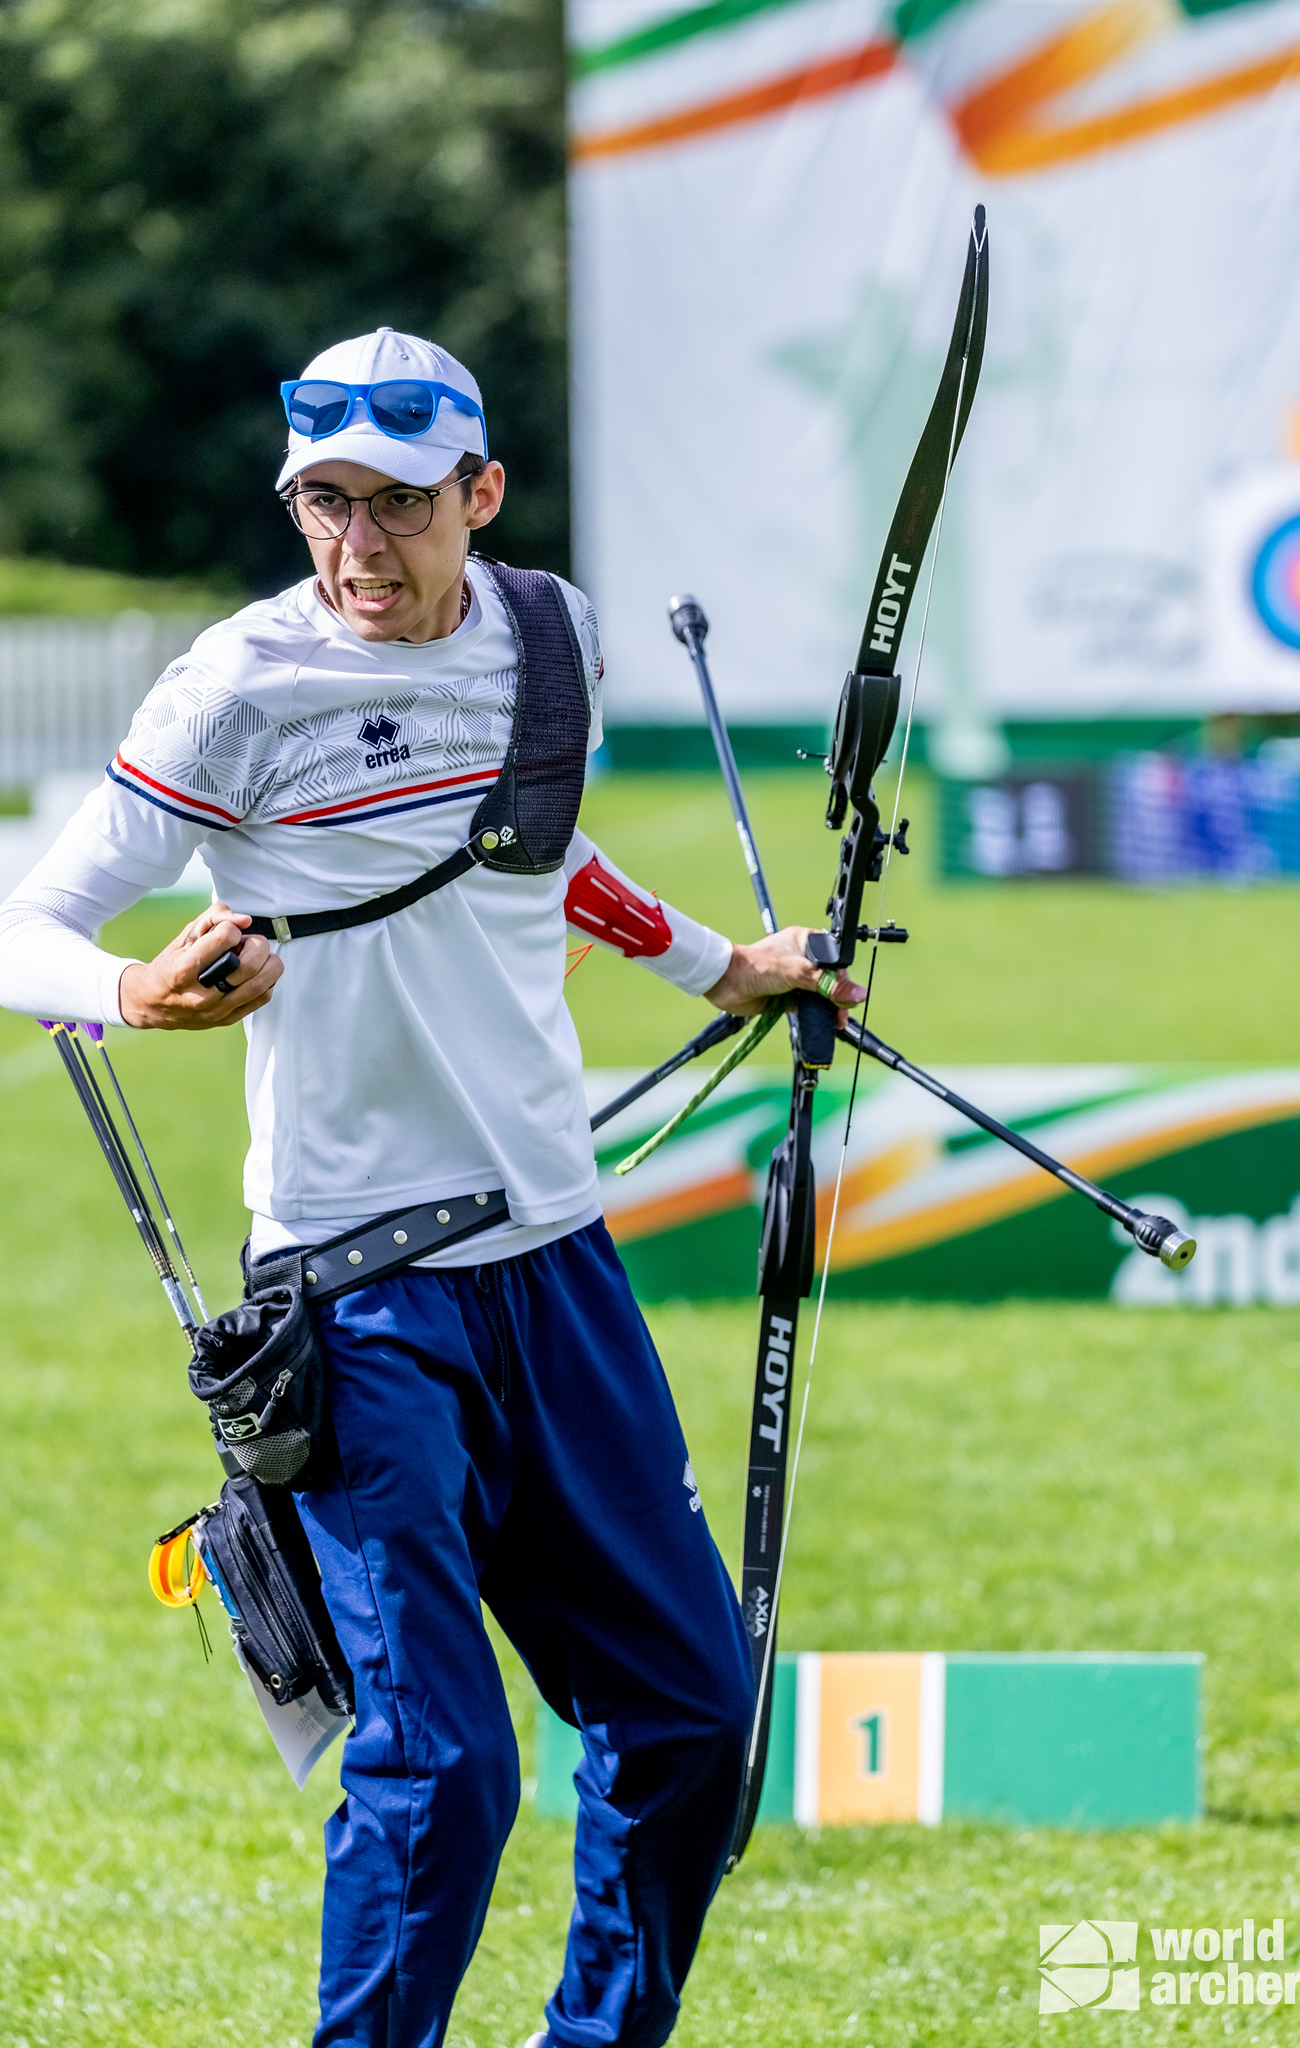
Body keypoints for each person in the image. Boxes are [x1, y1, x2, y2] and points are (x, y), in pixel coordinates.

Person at [0, 328, 864, 2048]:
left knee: (693, 1717)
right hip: (350, 1299)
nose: (356, 547)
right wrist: (136, 995)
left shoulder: (550, 640)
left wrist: (719, 968)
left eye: (398, 505)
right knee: (442, 1763)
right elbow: (28, 922)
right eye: (324, 502)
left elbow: (538, 850)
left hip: (554, 1260)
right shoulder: (236, 687)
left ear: (479, 494)